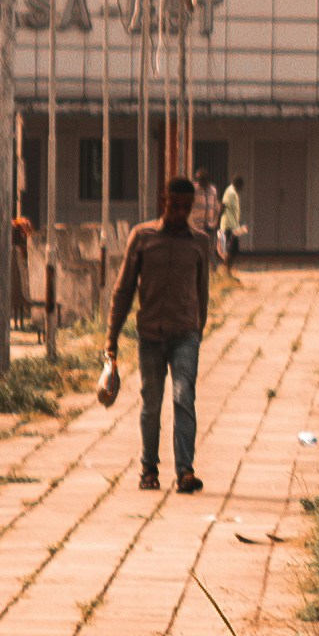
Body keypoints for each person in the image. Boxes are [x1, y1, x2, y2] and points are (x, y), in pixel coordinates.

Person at [117, 168, 221, 492]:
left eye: (185, 207)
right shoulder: (142, 237)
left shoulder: (200, 242)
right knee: (151, 404)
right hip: (150, 335)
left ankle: (185, 470)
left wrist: (198, 329)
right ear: (164, 201)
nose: (179, 213)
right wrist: (110, 338)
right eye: (174, 206)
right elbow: (124, 289)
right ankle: (149, 468)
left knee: (183, 397)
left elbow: (202, 291)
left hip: (185, 335)